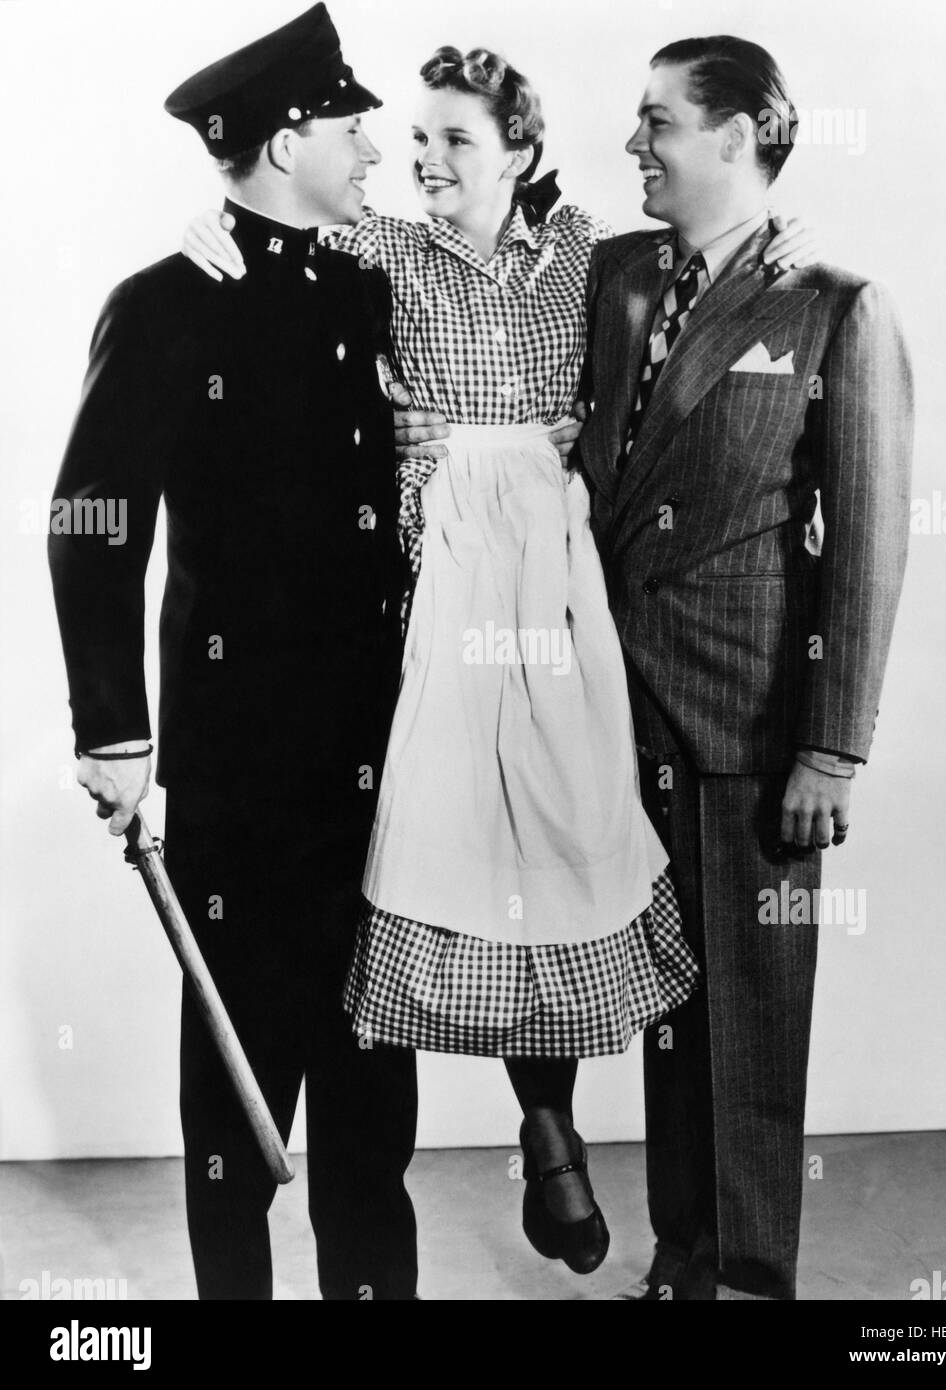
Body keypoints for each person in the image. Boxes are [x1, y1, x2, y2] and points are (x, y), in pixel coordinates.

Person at [182, 42, 815, 1278]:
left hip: (555, 572)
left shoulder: (592, 248)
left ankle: (548, 1124)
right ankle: (530, 1126)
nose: (423, 162)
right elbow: (275, 237)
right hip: (437, 580)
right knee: (455, 837)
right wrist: (203, 228)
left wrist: (786, 242)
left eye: (456, 141)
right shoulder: (378, 252)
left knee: (561, 827)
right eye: (414, 143)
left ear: (521, 150)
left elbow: (716, 252)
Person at [49, 4, 418, 1300]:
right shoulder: (165, 308)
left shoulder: (380, 288)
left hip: (382, 769)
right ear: (280, 141)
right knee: (236, 1122)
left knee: (373, 1109)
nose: (372, 142)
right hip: (242, 777)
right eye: (348, 121)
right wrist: (114, 729)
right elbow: (92, 518)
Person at [570, 36, 911, 1299]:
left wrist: (832, 743)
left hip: (752, 720)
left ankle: (751, 1274)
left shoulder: (830, 304)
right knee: (668, 1009)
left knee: (751, 1024)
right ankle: (681, 1260)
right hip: (617, 712)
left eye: (655, 120)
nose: (633, 144)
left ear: (738, 134)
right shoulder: (609, 277)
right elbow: (479, 267)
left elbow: (866, 542)